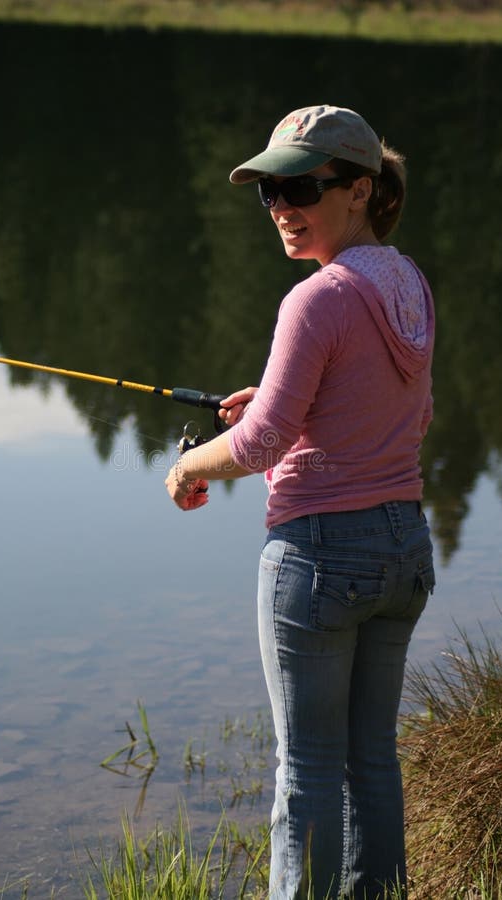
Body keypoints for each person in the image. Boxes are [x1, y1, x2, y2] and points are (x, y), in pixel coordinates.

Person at [165, 104, 435, 900]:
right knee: (371, 762)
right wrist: (291, 401)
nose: (283, 208)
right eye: (270, 193)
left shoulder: (314, 300)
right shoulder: (407, 283)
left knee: (308, 771)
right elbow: (405, 412)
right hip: (404, 550)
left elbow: (257, 446)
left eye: (303, 188)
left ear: (358, 189)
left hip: (319, 560)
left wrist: (186, 470)